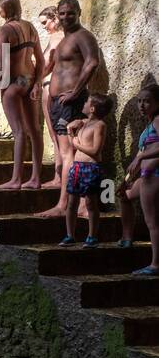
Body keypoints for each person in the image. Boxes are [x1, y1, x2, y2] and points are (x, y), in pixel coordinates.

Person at [37, 0, 102, 219]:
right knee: (69, 154)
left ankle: (64, 204)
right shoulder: (66, 38)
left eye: (70, 14)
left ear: (79, 12)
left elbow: (93, 62)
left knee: (68, 155)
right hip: (58, 103)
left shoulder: (83, 36)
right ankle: (80, 205)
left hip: (70, 102)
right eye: (62, 14)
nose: (66, 17)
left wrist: (75, 91)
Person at [0, 0, 46, 189]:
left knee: (19, 132)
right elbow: (40, 60)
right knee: (35, 130)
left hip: (14, 84)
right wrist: (38, 83)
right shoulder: (30, 27)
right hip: (29, 80)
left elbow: (1, 66)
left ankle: (16, 179)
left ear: (7, 9)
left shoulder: (5, 30)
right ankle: (36, 178)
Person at [61, 93, 110, 246]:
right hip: (77, 167)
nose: (84, 103)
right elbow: (73, 141)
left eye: (87, 102)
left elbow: (95, 150)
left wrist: (76, 144)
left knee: (90, 202)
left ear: (93, 108)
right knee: (71, 202)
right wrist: (70, 131)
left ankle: (92, 236)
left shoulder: (99, 125)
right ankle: (70, 235)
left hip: (90, 167)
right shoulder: (83, 123)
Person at [120, 82, 159, 274]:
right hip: (145, 176)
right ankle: (127, 237)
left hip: (154, 176)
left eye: (147, 101)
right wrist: (128, 177)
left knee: (152, 222)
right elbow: (143, 152)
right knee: (123, 195)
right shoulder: (150, 123)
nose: (142, 105)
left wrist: (141, 157)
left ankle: (155, 265)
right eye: (139, 101)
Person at [38, 7, 64, 187]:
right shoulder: (70, 37)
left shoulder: (57, 38)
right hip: (62, 88)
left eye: (45, 23)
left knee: (55, 135)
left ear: (55, 18)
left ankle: (59, 176)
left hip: (50, 86)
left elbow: (46, 64)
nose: (44, 27)